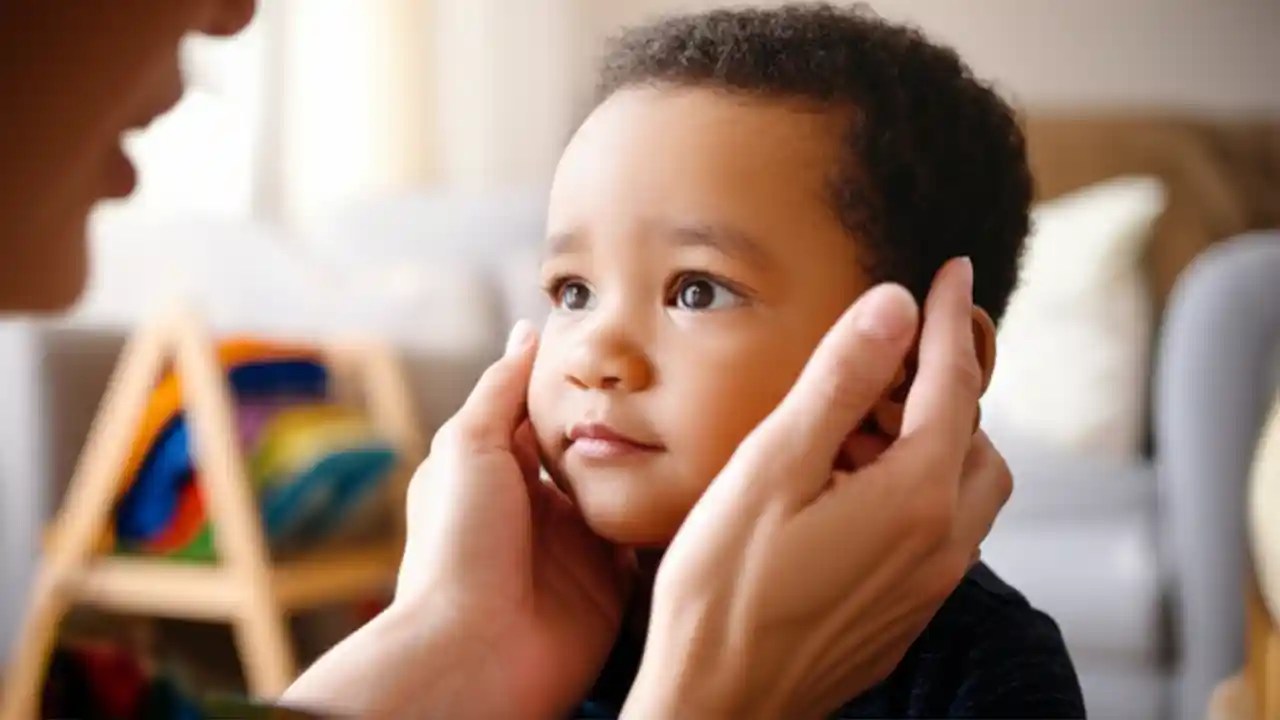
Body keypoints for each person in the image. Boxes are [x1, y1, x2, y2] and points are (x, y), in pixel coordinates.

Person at [1, 1, 1017, 718]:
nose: (595, 352)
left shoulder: (983, 666)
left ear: (917, 370)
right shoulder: (567, 661)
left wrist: (453, 640)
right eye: (570, 292)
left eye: (694, 289)